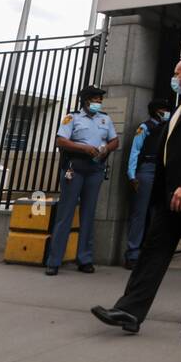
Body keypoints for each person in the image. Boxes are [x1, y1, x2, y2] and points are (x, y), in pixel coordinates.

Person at [91, 56, 181, 334]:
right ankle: (129, 310)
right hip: (172, 195)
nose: (175, 78)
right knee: (154, 250)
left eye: (178, 72)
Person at [46, 85, 118, 276]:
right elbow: (60, 141)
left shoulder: (105, 118)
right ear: (86, 100)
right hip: (75, 168)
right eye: (96, 99)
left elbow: (115, 140)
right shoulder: (73, 118)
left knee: (88, 214)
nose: (99, 102)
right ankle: (54, 260)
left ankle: (84, 259)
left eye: (100, 100)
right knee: (66, 213)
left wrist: (106, 148)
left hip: (95, 169)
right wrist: (83, 148)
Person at [123, 99, 171, 270]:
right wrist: (132, 175)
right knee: (139, 214)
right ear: (155, 111)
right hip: (147, 170)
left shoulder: (169, 127)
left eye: (167, 109)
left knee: (156, 214)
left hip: (162, 171)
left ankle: (149, 253)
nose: (165, 111)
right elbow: (135, 151)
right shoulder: (145, 128)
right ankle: (132, 254)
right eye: (162, 109)